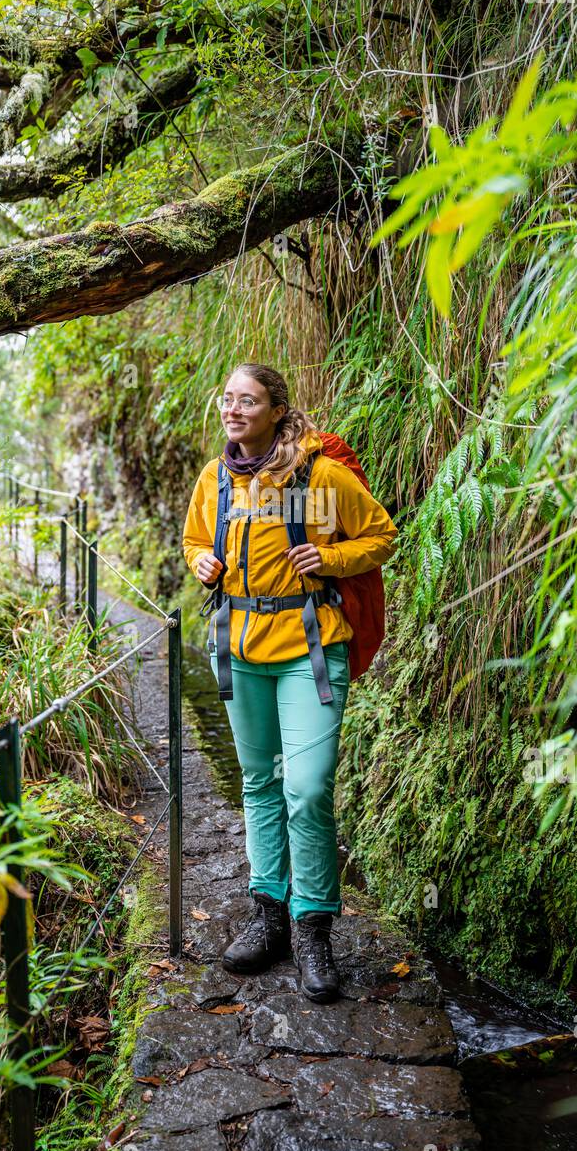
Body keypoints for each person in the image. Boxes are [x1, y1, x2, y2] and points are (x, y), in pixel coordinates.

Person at [181, 362, 397, 1003]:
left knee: (305, 788)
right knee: (260, 784)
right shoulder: (217, 479)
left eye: (247, 401)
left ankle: (312, 929)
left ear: (276, 409)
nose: (233, 410)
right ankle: (268, 914)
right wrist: (203, 562)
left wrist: (328, 558)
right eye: (228, 400)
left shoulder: (316, 476)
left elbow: (381, 535)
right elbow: (194, 539)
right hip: (241, 650)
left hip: (309, 648)